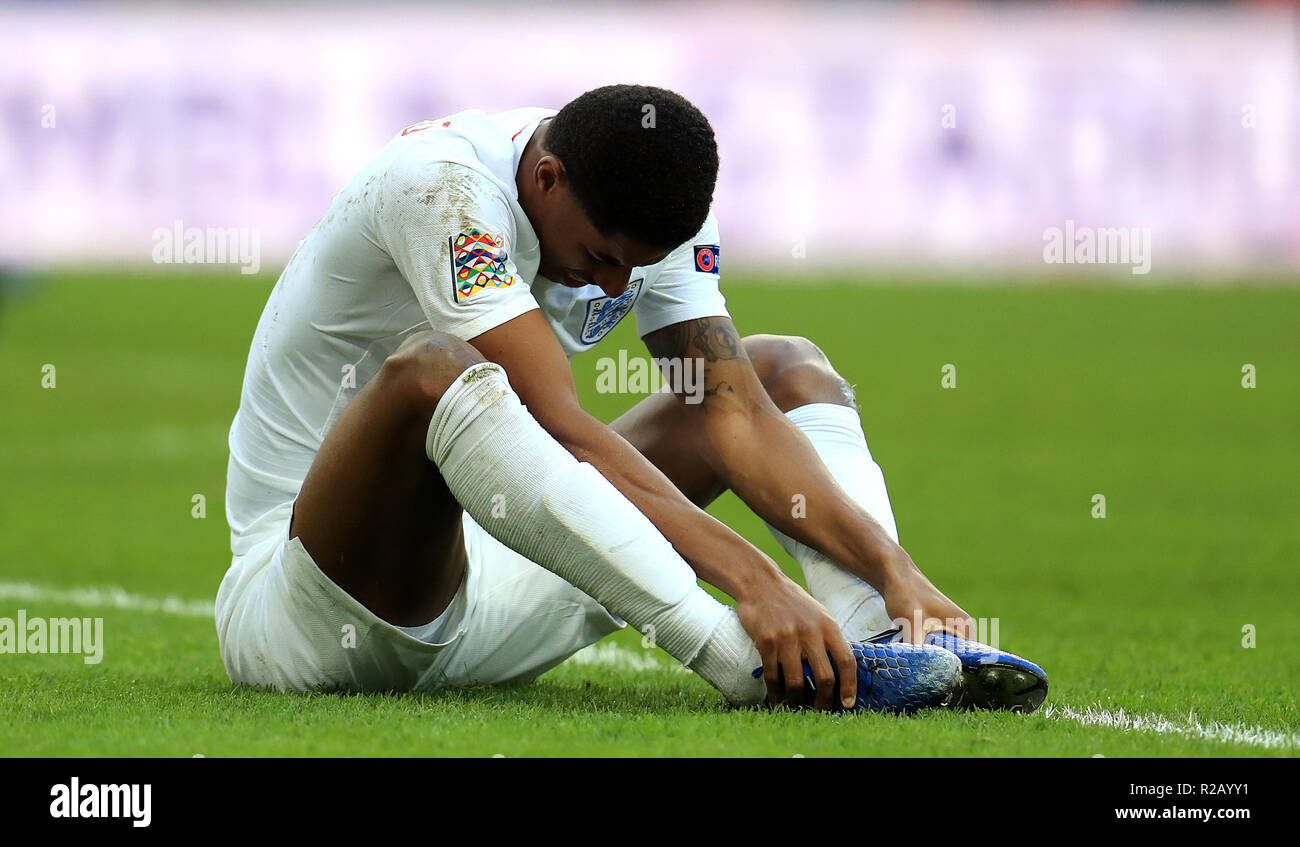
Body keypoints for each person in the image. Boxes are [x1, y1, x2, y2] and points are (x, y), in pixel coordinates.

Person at [216, 84, 1047, 713]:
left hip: (515, 568)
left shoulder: (654, 211)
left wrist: (896, 570)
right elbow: (561, 432)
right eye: (601, 256)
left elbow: (737, 415)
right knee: (435, 370)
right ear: (546, 178)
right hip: (318, 608)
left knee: (782, 370)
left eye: (634, 267)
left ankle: (873, 645)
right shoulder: (443, 193)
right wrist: (752, 579)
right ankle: (742, 662)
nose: (614, 284)